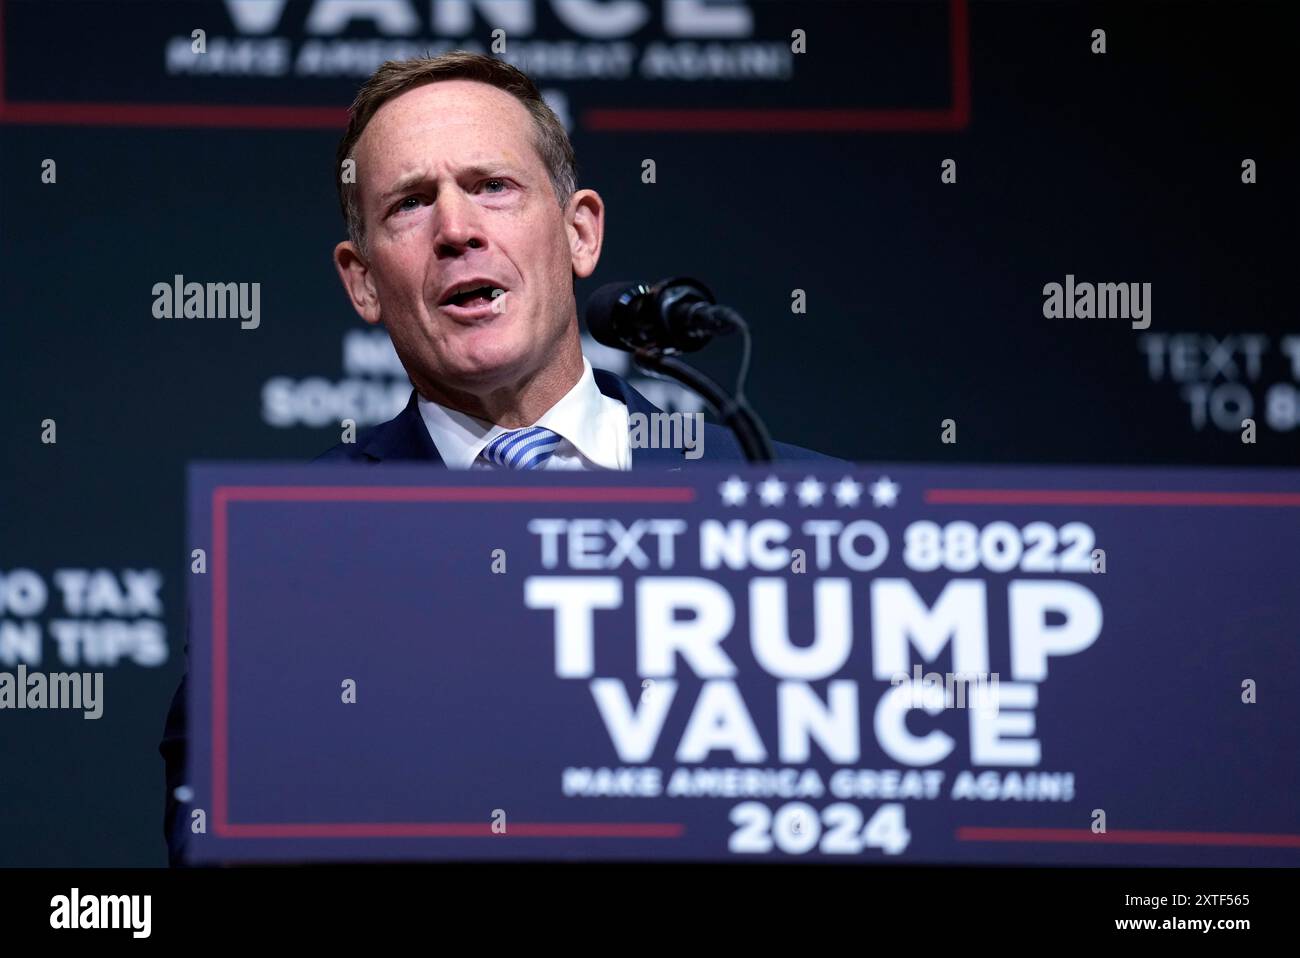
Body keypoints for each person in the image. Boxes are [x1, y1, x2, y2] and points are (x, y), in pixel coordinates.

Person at [160, 51, 833, 864]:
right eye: (411, 203)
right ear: (363, 281)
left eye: (493, 186)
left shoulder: (798, 504)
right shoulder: (283, 560)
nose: (456, 230)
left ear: (580, 230)